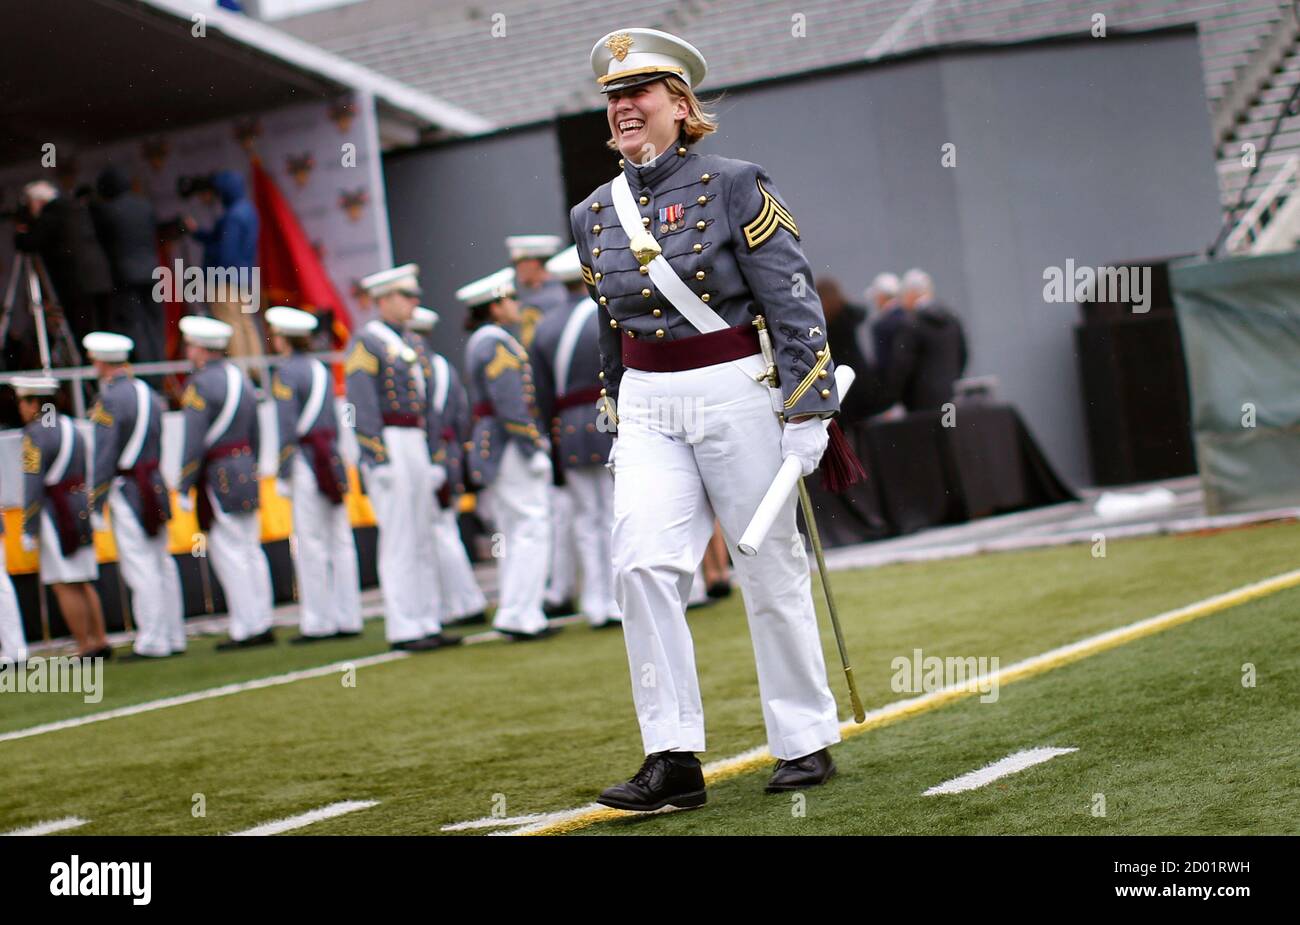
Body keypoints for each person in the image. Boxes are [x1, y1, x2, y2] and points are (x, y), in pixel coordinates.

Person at [572, 28, 847, 810]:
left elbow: (791, 299)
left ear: (680, 106)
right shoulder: (592, 211)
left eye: (639, 93)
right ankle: (673, 755)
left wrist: (809, 407)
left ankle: (801, 736)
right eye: (614, 98)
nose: (624, 107)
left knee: (768, 562)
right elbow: (609, 324)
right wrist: (618, 409)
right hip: (649, 403)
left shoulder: (736, 183)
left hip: (735, 385)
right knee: (641, 565)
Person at [344, 265, 457, 652]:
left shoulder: (411, 341)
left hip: (414, 440)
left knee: (422, 533)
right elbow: (360, 404)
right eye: (406, 296)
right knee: (398, 537)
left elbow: (427, 407)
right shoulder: (368, 343)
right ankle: (404, 625)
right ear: (384, 300)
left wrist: (434, 454)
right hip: (390, 441)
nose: (414, 302)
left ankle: (428, 618)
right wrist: (376, 455)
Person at [457, 268, 557, 641]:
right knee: (529, 527)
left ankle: (516, 611)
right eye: (509, 300)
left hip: (498, 446)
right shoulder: (496, 343)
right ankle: (523, 614)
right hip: (509, 446)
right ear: (495, 308)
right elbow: (510, 403)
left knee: (517, 531)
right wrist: (533, 444)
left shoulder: (488, 341)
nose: (516, 305)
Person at [532, 245, 620, 629]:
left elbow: (541, 393)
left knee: (586, 519)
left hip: (568, 429)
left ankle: (595, 600)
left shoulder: (543, 327)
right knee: (615, 513)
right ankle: (618, 598)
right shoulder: (604, 313)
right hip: (605, 420)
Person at [175, 315, 275, 650]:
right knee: (250, 549)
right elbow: (257, 431)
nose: (189, 351)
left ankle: (246, 627)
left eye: (190, 345)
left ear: (202, 350)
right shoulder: (242, 378)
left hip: (219, 474)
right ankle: (261, 618)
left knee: (230, 553)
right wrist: (254, 463)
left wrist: (185, 481)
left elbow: (193, 438)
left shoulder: (201, 385)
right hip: (246, 468)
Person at [85, 331, 186, 660]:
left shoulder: (110, 399)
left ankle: (153, 639)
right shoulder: (148, 392)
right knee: (161, 561)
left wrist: (96, 499)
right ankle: (172, 634)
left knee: (140, 565)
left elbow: (104, 454)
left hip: (128, 487)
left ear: (101, 361)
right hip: (154, 483)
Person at [266, 307, 363, 643]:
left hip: (307, 462)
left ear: (283, 339)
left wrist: (282, 470)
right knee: (340, 540)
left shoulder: (286, 374)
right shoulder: (322, 369)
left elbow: (286, 425)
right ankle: (348, 616)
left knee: (311, 542)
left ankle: (318, 621)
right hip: (330, 458)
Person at [506, 234, 579, 618]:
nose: (518, 271)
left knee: (567, 510)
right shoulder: (536, 304)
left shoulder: (543, 307)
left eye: (522, 264)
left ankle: (563, 587)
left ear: (537, 264)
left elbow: (537, 369)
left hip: (555, 411)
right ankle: (564, 586)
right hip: (558, 412)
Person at [15, 376, 109, 658]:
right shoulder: (72, 426)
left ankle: (84, 645)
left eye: (23, 402)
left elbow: (32, 484)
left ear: (34, 403)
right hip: (79, 505)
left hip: (56, 513)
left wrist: (28, 527)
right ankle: (100, 639)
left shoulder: (35, 434)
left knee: (63, 582)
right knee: (83, 579)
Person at [407, 306, 488, 628]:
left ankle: (465, 603)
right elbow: (461, 418)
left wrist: (435, 459)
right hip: (449, 457)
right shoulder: (443, 367)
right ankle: (458, 602)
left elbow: (433, 422)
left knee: (440, 533)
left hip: (434, 458)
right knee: (443, 531)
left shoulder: (421, 369)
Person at [187, 171, 263, 361]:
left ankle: (240, 370)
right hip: (244, 276)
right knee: (246, 323)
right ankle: (255, 370)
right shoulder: (247, 210)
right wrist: (196, 232)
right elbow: (217, 238)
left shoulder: (232, 216)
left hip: (226, 279)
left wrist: (211, 276)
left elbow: (225, 252)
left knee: (231, 324)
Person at [91, 167, 164, 364]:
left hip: (126, 276)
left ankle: (146, 371)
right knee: (155, 323)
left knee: (134, 324)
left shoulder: (107, 210)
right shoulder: (145, 205)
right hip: (153, 273)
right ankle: (160, 368)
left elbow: (101, 239)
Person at [891, 268, 969, 412]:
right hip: (950, 398)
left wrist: (897, 397)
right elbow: (963, 355)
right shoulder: (952, 319)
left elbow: (902, 366)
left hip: (920, 404)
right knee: (949, 430)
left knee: (927, 434)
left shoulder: (910, 324)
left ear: (910, 294)